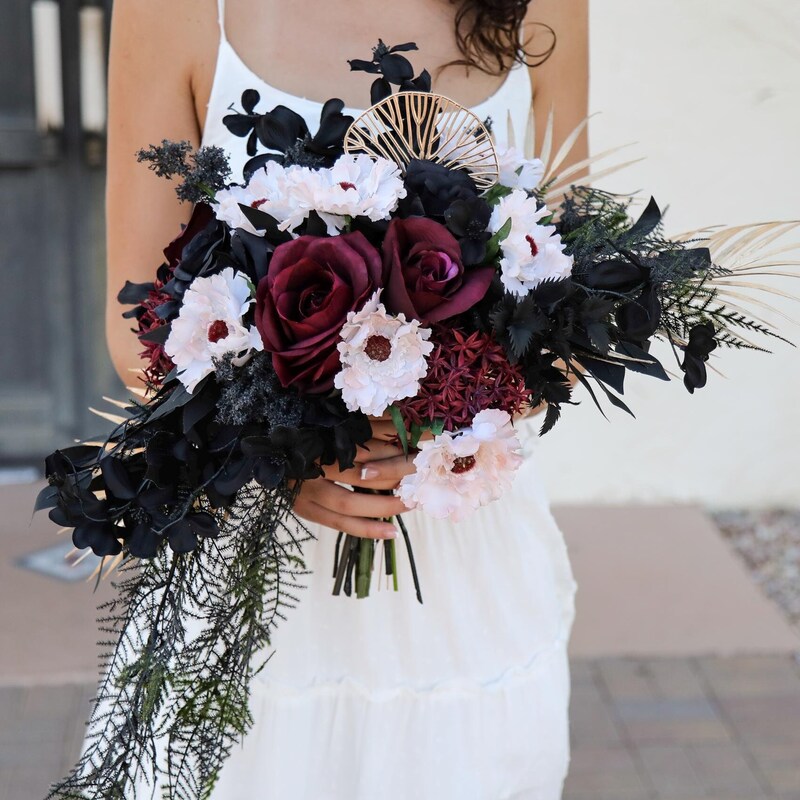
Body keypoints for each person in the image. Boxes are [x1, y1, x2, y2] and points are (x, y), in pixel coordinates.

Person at [104, 0, 587, 796]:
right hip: (253, 560)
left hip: (463, 541)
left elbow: (571, 284)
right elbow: (138, 327)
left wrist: (451, 403)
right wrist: (291, 448)